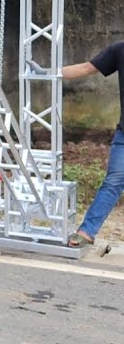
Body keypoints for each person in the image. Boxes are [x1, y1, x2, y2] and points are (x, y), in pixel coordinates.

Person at [36, 41, 124, 247]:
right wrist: (48, 72)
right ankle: (86, 232)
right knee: (112, 183)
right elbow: (86, 68)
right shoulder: (120, 50)